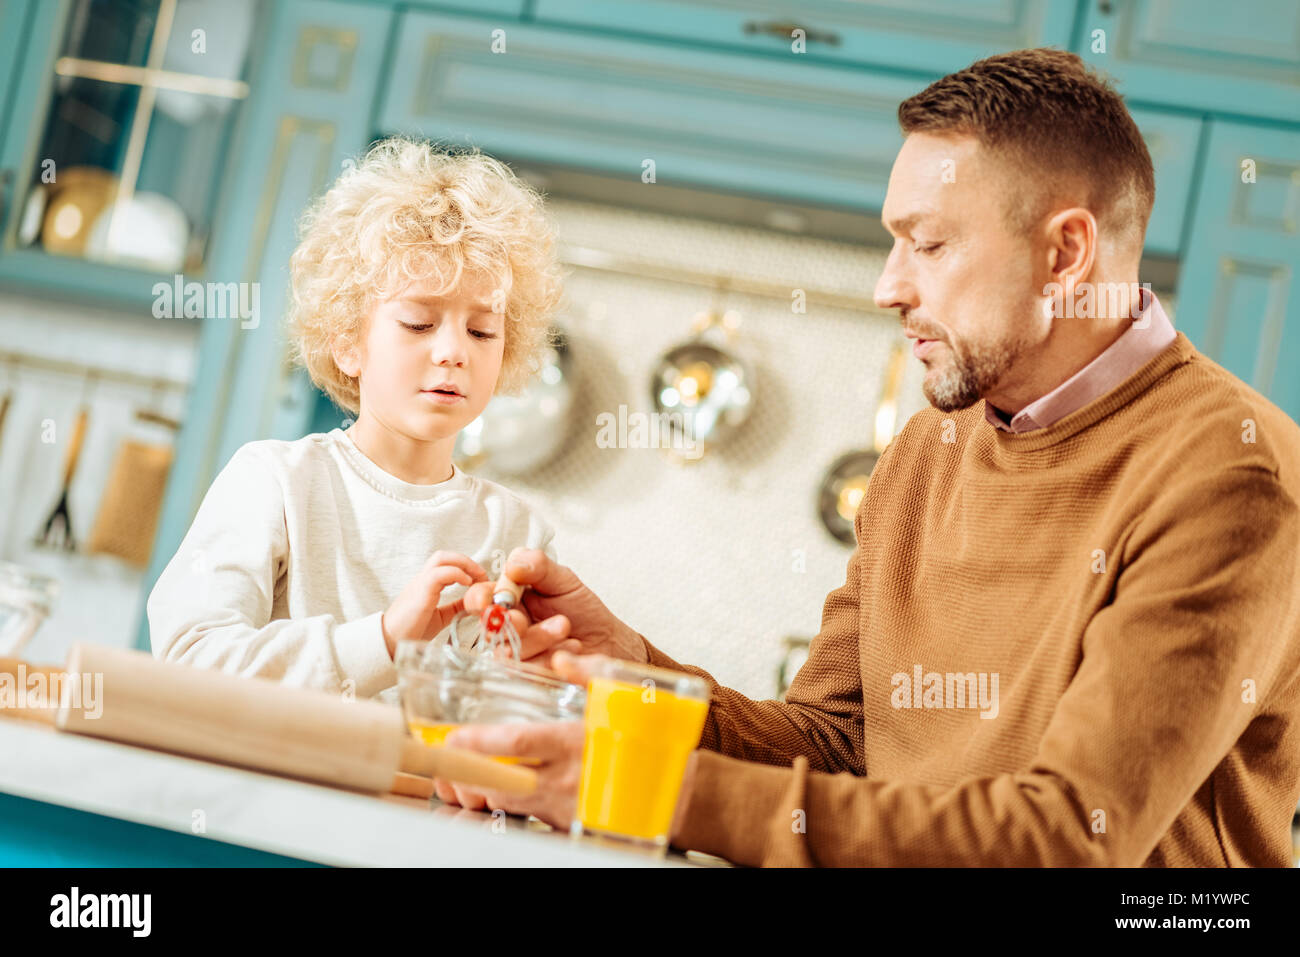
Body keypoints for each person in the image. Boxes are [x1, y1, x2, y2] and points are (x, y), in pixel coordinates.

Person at [433, 49, 1300, 867]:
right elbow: (834, 745)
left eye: (929, 245)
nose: (889, 285)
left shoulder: (1231, 475)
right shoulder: (933, 441)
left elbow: (1070, 836)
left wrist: (651, 785)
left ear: (1066, 253)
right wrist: (633, 671)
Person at [147, 137, 564, 698]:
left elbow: (505, 726)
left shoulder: (518, 536)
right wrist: (386, 640)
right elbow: (187, 661)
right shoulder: (275, 481)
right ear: (348, 342)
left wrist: (525, 680)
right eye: (418, 323)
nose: (453, 351)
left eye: (482, 330)